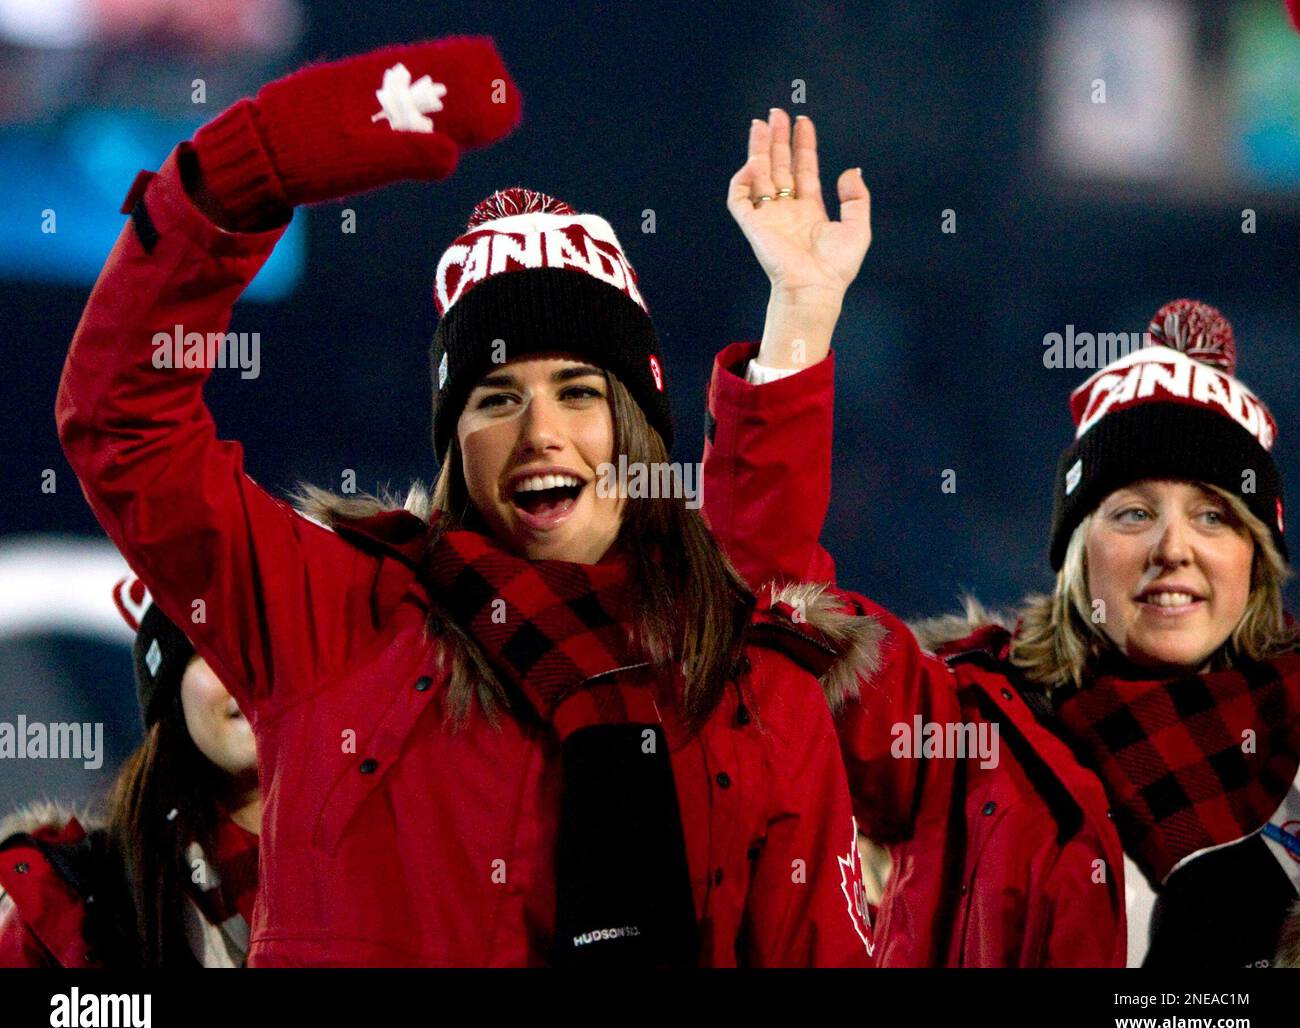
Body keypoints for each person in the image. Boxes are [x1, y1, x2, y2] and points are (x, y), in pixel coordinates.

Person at [55, 38, 878, 967]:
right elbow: (123, 425)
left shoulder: (748, 684)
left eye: (579, 389)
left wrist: (803, 318)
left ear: (639, 426)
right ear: (453, 441)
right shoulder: (336, 621)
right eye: (495, 399)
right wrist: (254, 165)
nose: (540, 434)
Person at [702, 109, 1300, 966]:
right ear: (1072, 556)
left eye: (1214, 515)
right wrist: (800, 315)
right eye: (1132, 512)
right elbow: (769, 600)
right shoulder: (959, 726)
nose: (1175, 545)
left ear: (1257, 557)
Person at [0, 575, 259, 967]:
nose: (253, 670)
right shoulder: (68, 909)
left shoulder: (382, 858)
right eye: (214, 648)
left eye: (281, 650)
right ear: (170, 700)